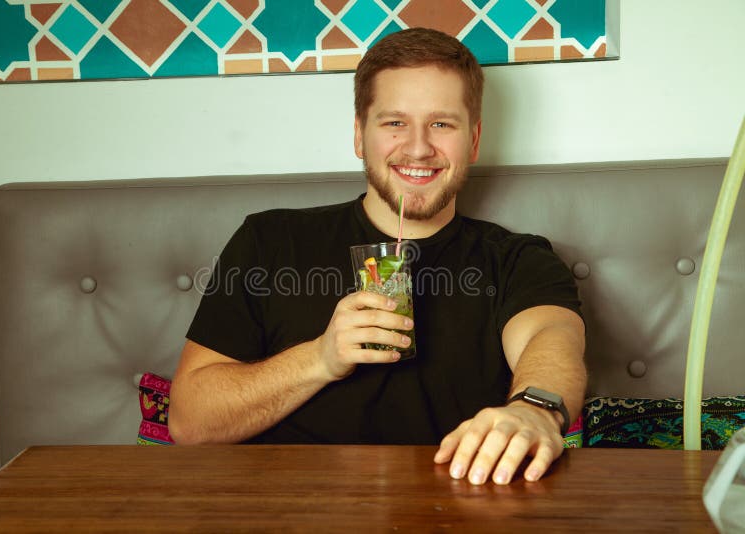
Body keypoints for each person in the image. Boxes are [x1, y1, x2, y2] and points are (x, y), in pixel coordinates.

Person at [169, 27, 586, 486]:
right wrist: (320, 359)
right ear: (358, 135)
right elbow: (189, 422)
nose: (418, 147)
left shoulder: (518, 258)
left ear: (474, 140)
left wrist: (536, 410)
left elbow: (551, 336)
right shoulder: (269, 241)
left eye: (442, 124)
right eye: (394, 123)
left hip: (452, 511)